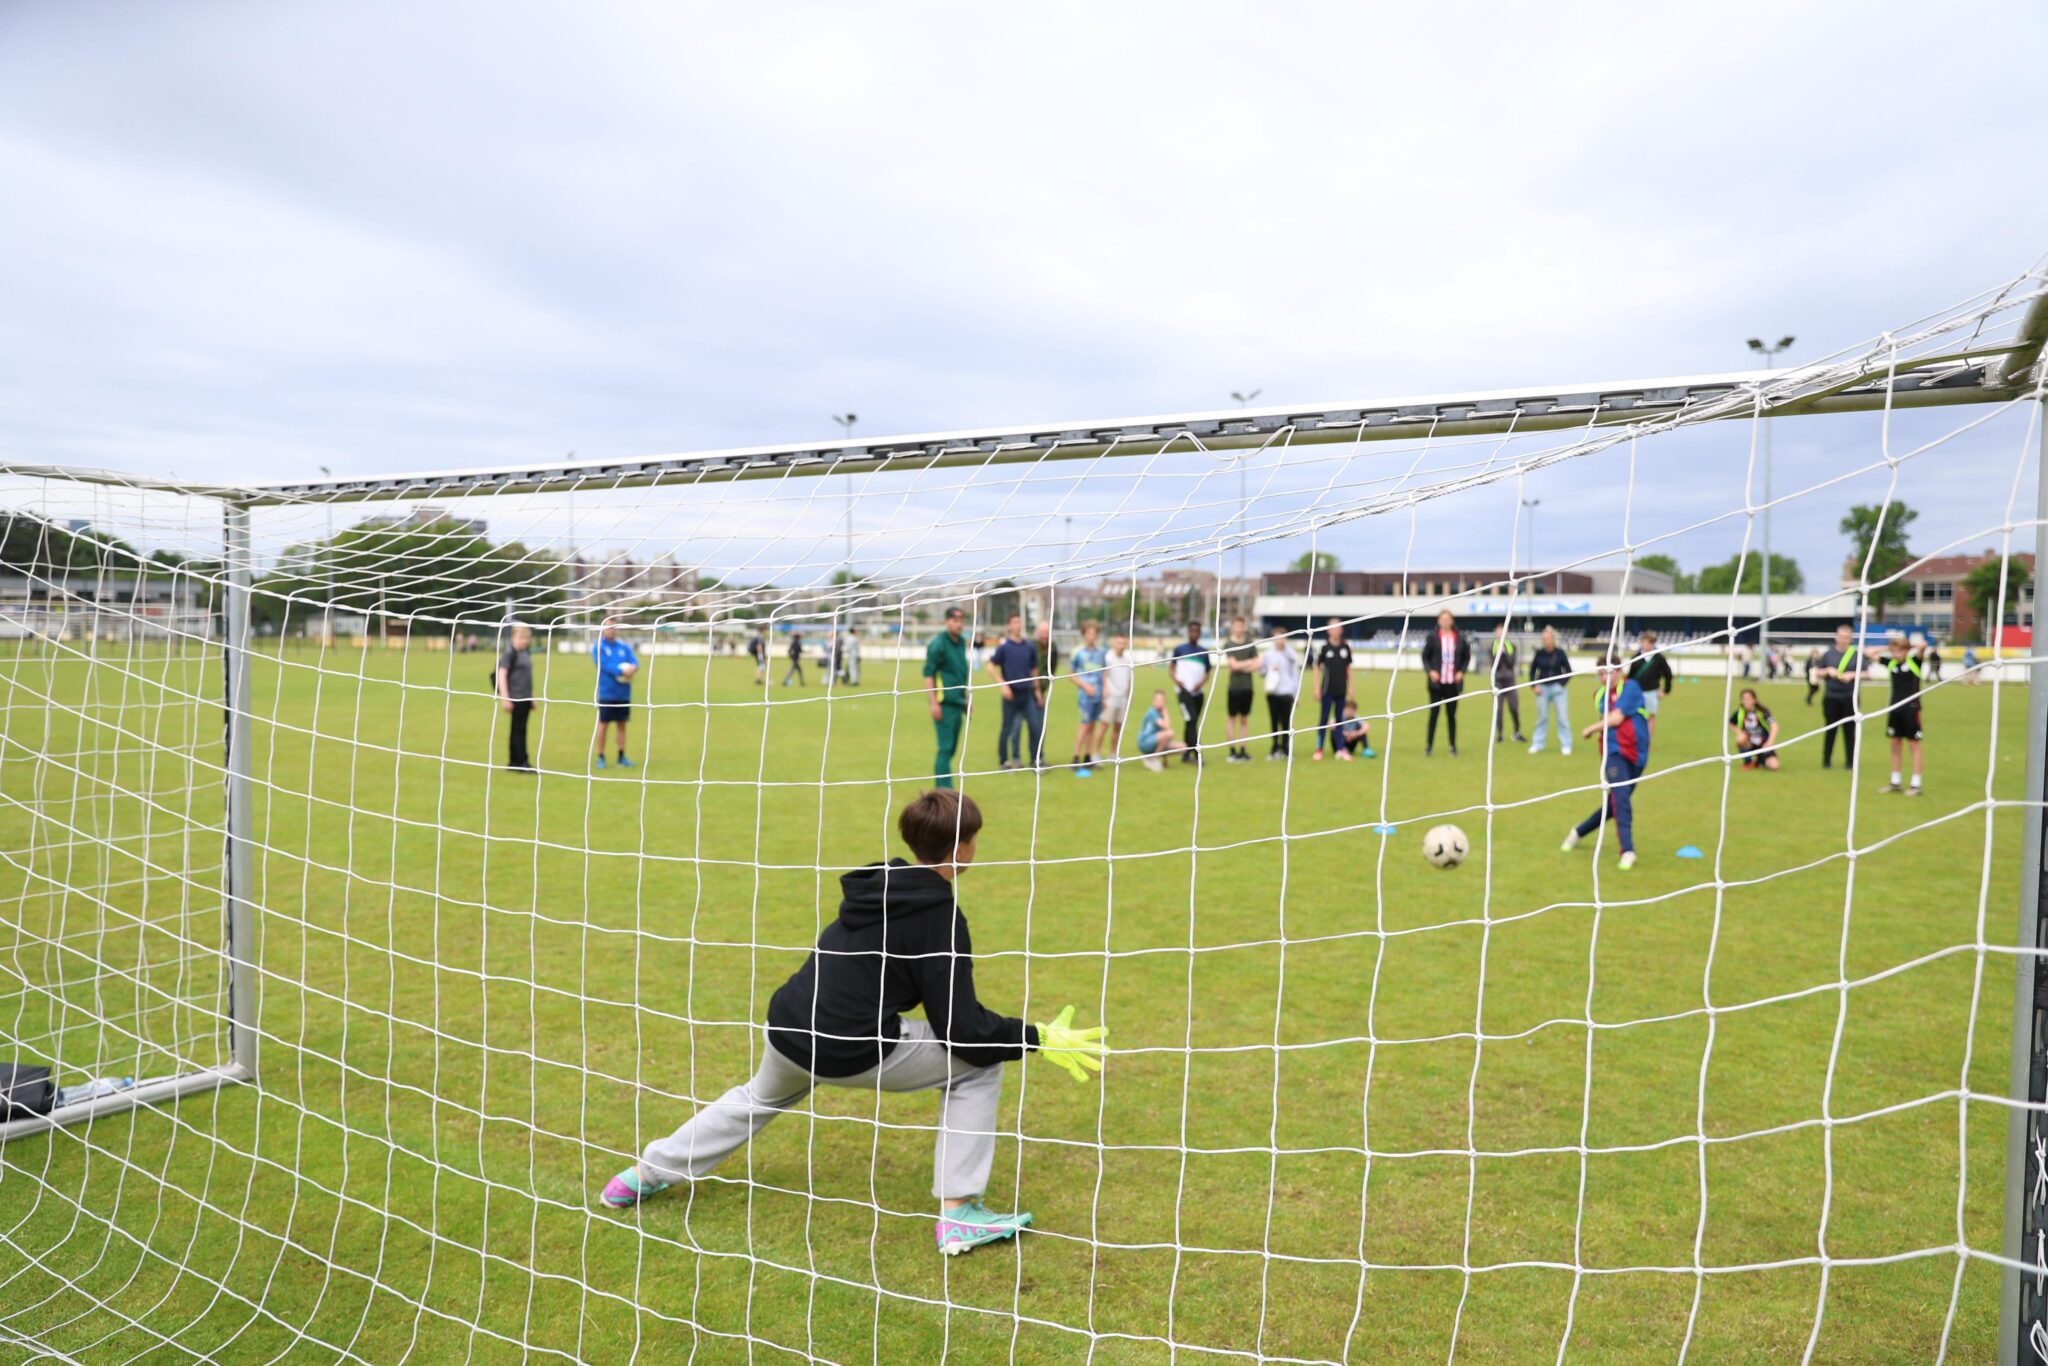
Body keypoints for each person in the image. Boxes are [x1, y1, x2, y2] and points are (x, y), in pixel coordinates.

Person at [599, 790, 1107, 1257]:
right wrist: (1034, 1037)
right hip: (845, 1045)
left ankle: (642, 1175)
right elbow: (963, 1031)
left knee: (757, 1098)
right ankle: (959, 1215)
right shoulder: (939, 915)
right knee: (979, 1066)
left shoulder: (879, 885)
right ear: (965, 848)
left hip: (790, 1026)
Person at [1561, 651, 1650, 870]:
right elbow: (1608, 720)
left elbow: (1617, 717)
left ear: (1619, 671)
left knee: (1614, 804)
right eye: (1600, 674)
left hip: (1637, 755)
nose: (1604, 678)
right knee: (1621, 800)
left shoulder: (1631, 688)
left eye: (1607, 673)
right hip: (1612, 755)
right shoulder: (1599, 695)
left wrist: (1591, 728)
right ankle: (1627, 851)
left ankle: (1578, 832)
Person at [1869, 633, 1926, 795]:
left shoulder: (1914, 662)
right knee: (1895, 744)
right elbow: (1869, 653)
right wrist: (1888, 648)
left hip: (1911, 709)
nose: (1896, 654)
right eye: (1894, 651)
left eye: (1900, 651)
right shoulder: (1891, 663)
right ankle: (1895, 781)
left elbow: (1923, 646)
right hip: (1894, 709)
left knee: (1914, 744)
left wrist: (1909, 648)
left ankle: (1916, 784)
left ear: (1906, 650)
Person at [923, 607, 971, 789]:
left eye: (961, 620)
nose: (959, 623)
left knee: (951, 749)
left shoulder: (961, 643)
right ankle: (944, 789)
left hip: (958, 703)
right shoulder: (938, 644)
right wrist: (933, 702)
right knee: (945, 748)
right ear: (947, 621)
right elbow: (928, 673)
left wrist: (965, 699)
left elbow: (960, 673)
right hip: (944, 704)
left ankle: (943, 788)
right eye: (955, 619)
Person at [986, 615, 1042, 770]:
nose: (1018, 625)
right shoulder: (1004, 647)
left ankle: (1035, 759)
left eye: (1020, 622)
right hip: (1011, 695)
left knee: (1035, 725)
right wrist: (1003, 685)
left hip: (1027, 693)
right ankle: (1004, 761)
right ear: (1009, 626)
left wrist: (1037, 690)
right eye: (1015, 623)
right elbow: (990, 666)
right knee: (1007, 728)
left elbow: (1034, 669)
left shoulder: (1029, 646)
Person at [1816, 623, 1868, 771]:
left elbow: (1867, 673)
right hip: (1831, 697)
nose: (1843, 639)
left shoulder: (1856, 655)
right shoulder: (1828, 654)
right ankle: (1826, 761)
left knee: (1849, 731)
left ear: (1850, 638)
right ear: (1836, 637)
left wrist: (1852, 675)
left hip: (1850, 697)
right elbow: (1817, 672)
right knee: (1830, 729)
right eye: (1841, 636)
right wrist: (1827, 671)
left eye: (1846, 637)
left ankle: (1850, 762)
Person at [1418, 609, 1469, 757]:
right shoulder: (1432, 637)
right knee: (1434, 714)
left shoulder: (1459, 638)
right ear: (1438, 621)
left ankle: (1452, 747)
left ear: (1452, 621)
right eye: (1443, 619)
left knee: (1451, 715)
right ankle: (1429, 746)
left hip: (1452, 684)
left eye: (1448, 619)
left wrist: (1461, 671)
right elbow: (1425, 657)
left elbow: (1466, 657)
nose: (1445, 621)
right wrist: (1430, 671)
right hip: (1436, 684)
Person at [591, 617, 638, 771]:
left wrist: (632, 668)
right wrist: (621, 670)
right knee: (603, 725)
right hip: (607, 693)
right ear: (603, 629)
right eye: (608, 627)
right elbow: (604, 665)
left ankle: (621, 756)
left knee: (622, 725)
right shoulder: (598, 647)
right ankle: (601, 756)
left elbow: (634, 662)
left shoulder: (624, 647)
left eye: (614, 627)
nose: (611, 629)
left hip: (623, 693)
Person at [1308, 619, 1355, 762]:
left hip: (1341, 690)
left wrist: (1352, 687)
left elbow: (1349, 668)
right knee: (1323, 719)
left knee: (1340, 720)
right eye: (1333, 627)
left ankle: (1341, 749)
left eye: (1338, 627)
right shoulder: (1324, 648)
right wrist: (1316, 687)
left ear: (1341, 630)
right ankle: (1319, 749)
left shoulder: (1345, 648)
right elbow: (1316, 667)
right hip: (1327, 690)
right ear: (1328, 630)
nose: (1336, 630)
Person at [1168, 620, 1211, 766]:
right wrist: (1176, 681)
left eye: (1196, 631)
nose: (1194, 633)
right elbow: (1171, 668)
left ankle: (1186, 753)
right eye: (1191, 630)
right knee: (1191, 720)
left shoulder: (1204, 652)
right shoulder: (1179, 650)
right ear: (1188, 632)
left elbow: (1208, 672)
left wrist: (1201, 683)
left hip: (1198, 694)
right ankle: (1197, 754)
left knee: (1191, 722)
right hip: (1184, 693)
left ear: (1199, 633)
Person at [496, 624, 537, 772]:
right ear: (513, 637)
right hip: (516, 698)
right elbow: (502, 674)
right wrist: (505, 697)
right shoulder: (509, 654)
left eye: (527, 637)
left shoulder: (525, 653)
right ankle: (520, 762)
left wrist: (532, 697)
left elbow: (528, 678)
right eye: (521, 637)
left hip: (525, 697)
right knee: (518, 730)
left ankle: (516, 761)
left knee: (520, 729)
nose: (524, 640)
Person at [1219, 617, 1260, 763]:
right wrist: (1248, 663)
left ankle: (1243, 750)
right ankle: (1232, 751)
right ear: (1232, 627)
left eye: (1241, 625)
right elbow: (1233, 666)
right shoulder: (1228, 644)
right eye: (1236, 625)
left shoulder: (1250, 643)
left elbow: (1257, 663)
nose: (1238, 628)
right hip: (1234, 687)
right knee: (1231, 719)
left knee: (1244, 719)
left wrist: (1242, 665)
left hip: (1247, 687)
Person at [1068, 619, 1107, 777]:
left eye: (1094, 634)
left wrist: (1104, 692)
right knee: (1084, 725)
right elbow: (1070, 674)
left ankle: (1088, 757)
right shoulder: (1078, 652)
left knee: (1092, 725)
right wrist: (1085, 686)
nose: (1092, 636)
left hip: (1098, 694)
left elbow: (1104, 672)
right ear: (1084, 635)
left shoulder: (1101, 652)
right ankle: (1076, 758)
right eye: (1089, 633)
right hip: (1085, 695)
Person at [1527, 626, 1573, 756]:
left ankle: (1566, 744)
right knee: (1541, 718)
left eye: (1548, 638)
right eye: (1544, 638)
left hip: (1558, 689)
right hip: (1542, 689)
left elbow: (1568, 671)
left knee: (1562, 718)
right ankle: (1538, 744)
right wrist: (1534, 685)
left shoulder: (1560, 653)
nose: (1545, 641)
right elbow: (1532, 671)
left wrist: (1561, 685)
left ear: (1553, 639)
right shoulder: (1539, 653)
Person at [1260, 627, 1301, 759]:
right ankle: (1274, 748)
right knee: (1274, 721)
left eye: (1281, 637)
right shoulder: (1268, 654)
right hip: (1273, 692)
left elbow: (1295, 675)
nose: (1279, 641)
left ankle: (1286, 749)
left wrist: (1296, 694)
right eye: (1276, 638)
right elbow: (1262, 672)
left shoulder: (1291, 654)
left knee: (1286, 722)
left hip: (1287, 692)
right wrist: (1269, 669)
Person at [1097, 631, 1136, 763]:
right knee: (1104, 726)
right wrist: (1104, 692)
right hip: (1111, 697)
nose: (1121, 645)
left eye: (1123, 643)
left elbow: (1129, 680)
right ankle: (1096, 753)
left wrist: (1129, 697)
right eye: (1119, 643)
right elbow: (1103, 675)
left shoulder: (1128, 659)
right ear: (1114, 643)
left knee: (1117, 727)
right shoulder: (1108, 657)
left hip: (1122, 698)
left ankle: (1113, 753)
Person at [1627, 630, 1673, 731]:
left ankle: (1646, 743)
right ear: (1642, 642)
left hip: (1652, 692)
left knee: (1651, 717)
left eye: (1650, 642)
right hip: (1637, 692)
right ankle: (1637, 740)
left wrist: (1666, 690)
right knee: (1636, 716)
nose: (1647, 645)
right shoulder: (1635, 658)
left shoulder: (1659, 658)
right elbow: (1630, 677)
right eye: (1645, 642)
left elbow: (1668, 674)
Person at [1728, 687, 1780, 771]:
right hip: (1749, 743)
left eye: (1749, 699)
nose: (1746, 701)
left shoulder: (1762, 711)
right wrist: (1739, 732)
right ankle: (1748, 762)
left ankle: (1759, 761)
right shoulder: (1739, 712)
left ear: (1754, 700)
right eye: (1744, 699)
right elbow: (1730, 724)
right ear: (1741, 701)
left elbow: (1774, 726)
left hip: (1763, 745)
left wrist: (1769, 743)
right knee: (1740, 739)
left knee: (1774, 766)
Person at [1489, 623, 1524, 745]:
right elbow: (1494, 665)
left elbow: (1511, 663)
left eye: (1502, 632)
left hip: (1510, 681)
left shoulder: (1511, 646)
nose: (1500, 634)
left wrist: (1504, 653)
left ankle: (1517, 732)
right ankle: (1500, 734)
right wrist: (1499, 653)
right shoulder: (1492, 647)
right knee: (1498, 709)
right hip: (1498, 681)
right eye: (1498, 632)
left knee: (1514, 707)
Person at [1136, 690, 1185, 771]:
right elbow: (1167, 727)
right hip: (1145, 742)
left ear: (1165, 701)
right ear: (1153, 701)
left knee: (1183, 747)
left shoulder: (1160, 713)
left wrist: (1165, 761)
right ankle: (1153, 759)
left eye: (1162, 701)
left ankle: (1150, 756)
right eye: (1157, 700)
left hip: (1156, 741)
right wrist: (1166, 713)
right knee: (1169, 733)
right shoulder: (1152, 712)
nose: (1160, 703)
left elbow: (1165, 741)